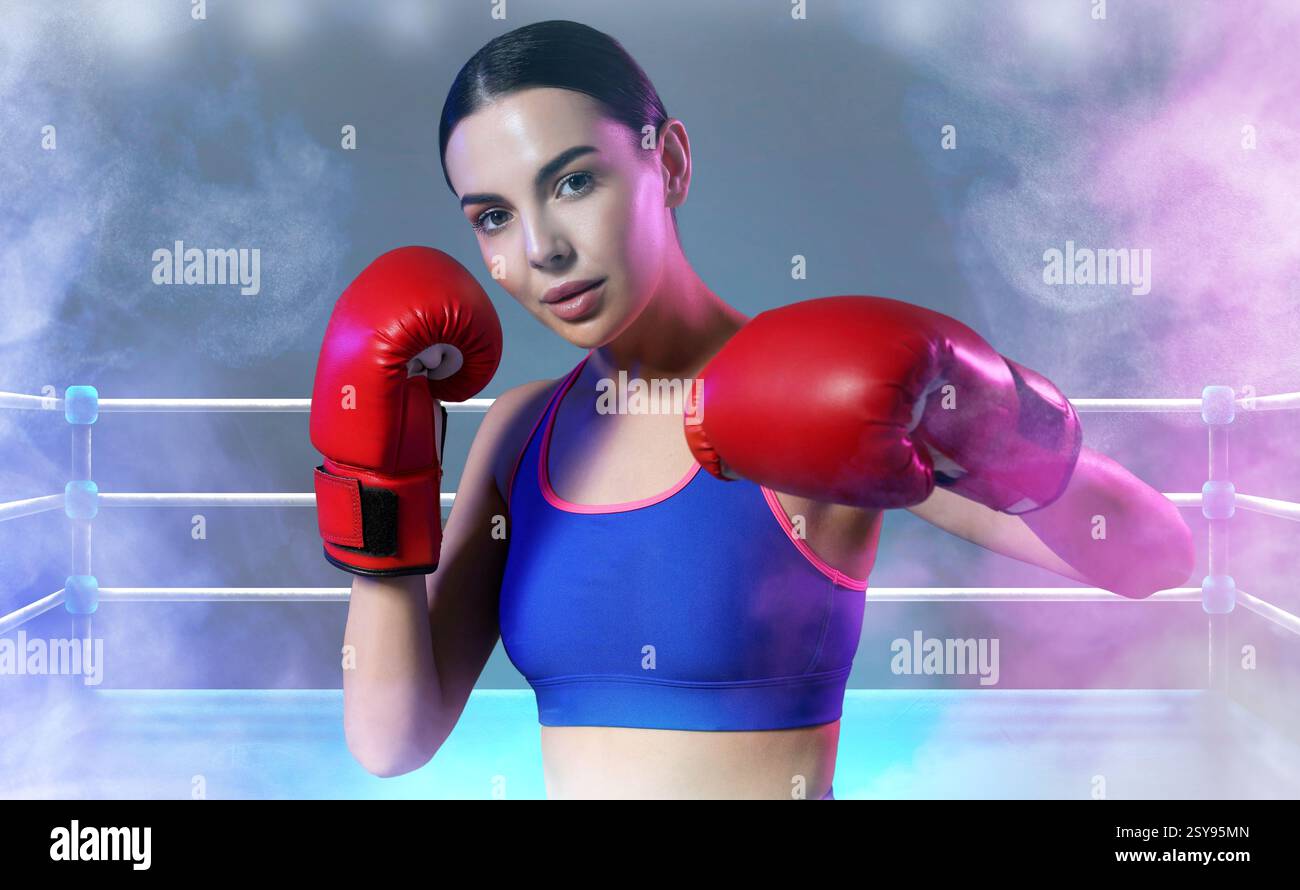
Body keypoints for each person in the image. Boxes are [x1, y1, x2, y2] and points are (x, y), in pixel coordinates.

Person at [313, 20, 1195, 799]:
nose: (541, 247)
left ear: (670, 161)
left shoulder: (806, 391)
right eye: (495, 216)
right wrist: (376, 470)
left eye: (575, 182)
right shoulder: (521, 434)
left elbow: (1153, 558)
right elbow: (394, 743)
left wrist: (998, 422)